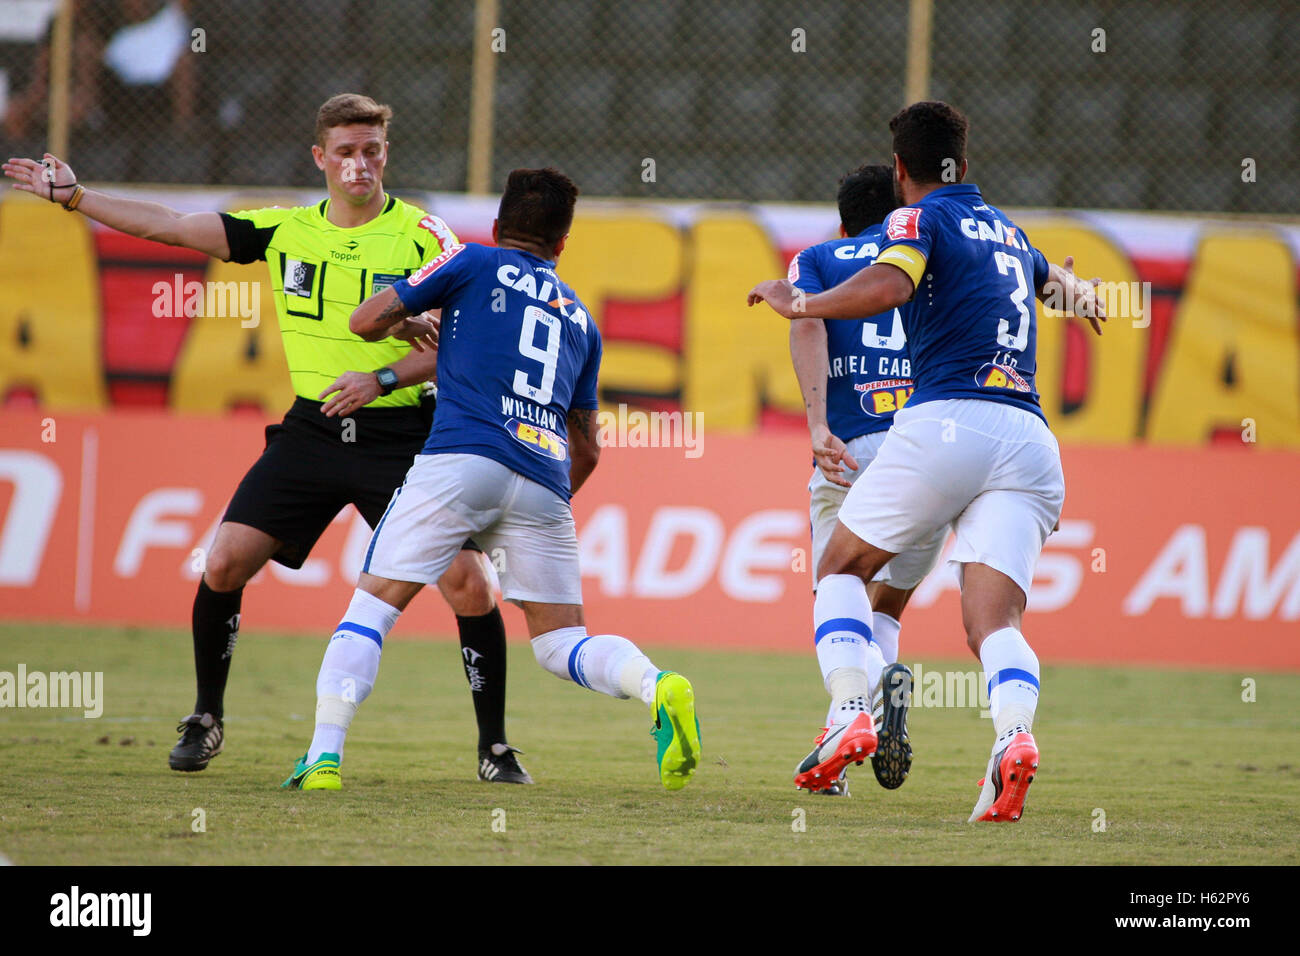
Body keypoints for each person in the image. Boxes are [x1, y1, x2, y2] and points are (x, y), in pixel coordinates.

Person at [3, 93, 531, 785]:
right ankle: (205, 717)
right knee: (222, 563)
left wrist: (384, 375)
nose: (359, 164)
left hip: (403, 436)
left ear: (385, 156)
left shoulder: (424, 237)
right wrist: (77, 199)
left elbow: (470, 343)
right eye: (344, 151)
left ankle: (494, 749)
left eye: (371, 150)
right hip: (311, 432)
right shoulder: (284, 231)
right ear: (320, 157)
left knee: (470, 584)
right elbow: (170, 226)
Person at [281, 167, 702, 793]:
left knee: (371, 608)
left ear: (500, 227)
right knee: (561, 645)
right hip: (542, 478)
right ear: (562, 245)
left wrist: (409, 319)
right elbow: (588, 449)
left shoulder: (471, 262)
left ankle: (322, 757)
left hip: (458, 459)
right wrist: (539, 508)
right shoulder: (581, 320)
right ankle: (655, 684)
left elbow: (364, 323)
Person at [749, 101, 1105, 822]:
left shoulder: (914, 219)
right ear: (965, 166)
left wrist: (805, 305)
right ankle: (1013, 739)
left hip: (949, 422)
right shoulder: (1006, 228)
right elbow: (1049, 285)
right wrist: (1083, 292)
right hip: (1030, 443)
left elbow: (892, 286)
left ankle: (852, 710)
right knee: (993, 626)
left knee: (841, 570)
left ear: (903, 171)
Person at [787, 163, 946, 797]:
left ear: (843, 215)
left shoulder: (819, 258)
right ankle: (837, 763)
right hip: (933, 453)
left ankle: (870, 696)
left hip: (855, 451)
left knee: (837, 588)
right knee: (884, 603)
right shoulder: (929, 252)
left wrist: (818, 424)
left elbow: (804, 323)